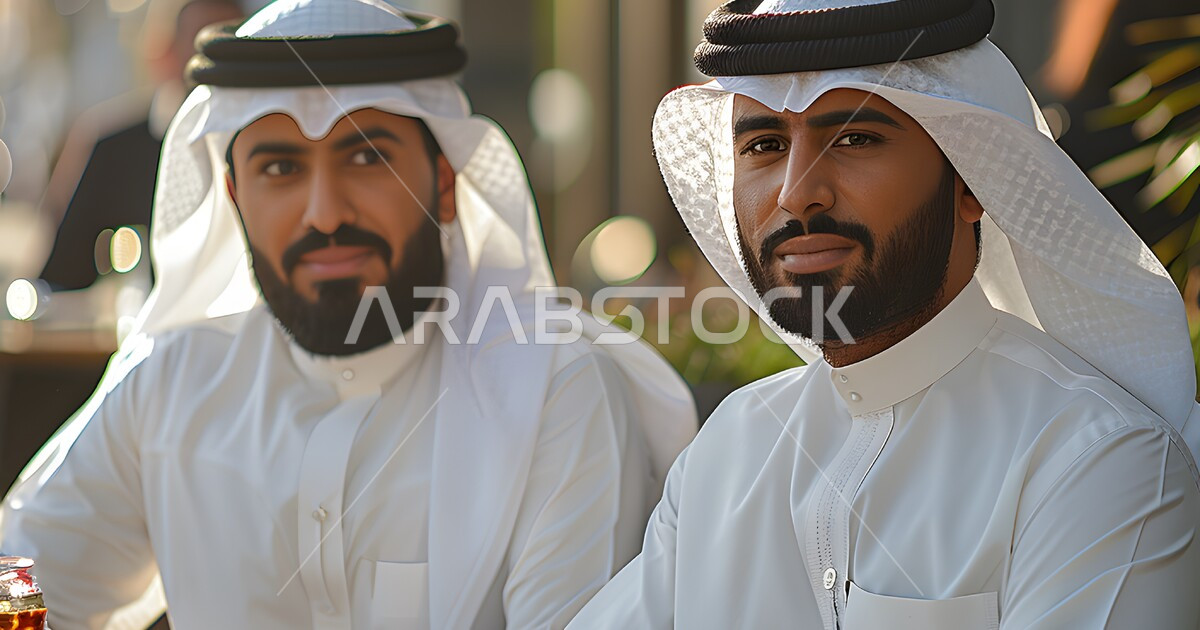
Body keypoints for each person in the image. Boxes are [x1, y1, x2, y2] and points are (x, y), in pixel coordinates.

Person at [0, 1, 696, 628]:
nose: (325, 213)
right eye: (281, 169)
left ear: (444, 185)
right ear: (235, 199)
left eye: (366, 158)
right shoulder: (173, 380)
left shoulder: (555, 393)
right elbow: (19, 577)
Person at [569, 0, 1200, 628]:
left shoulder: (1096, 459)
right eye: (764, 146)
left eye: (855, 139)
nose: (797, 193)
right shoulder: (731, 449)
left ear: (971, 180)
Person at [39, 0, 245, 291]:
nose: (222, 60)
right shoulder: (112, 150)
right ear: (165, 53)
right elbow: (60, 279)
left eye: (233, 42)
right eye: (204, 43)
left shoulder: (260, 142)